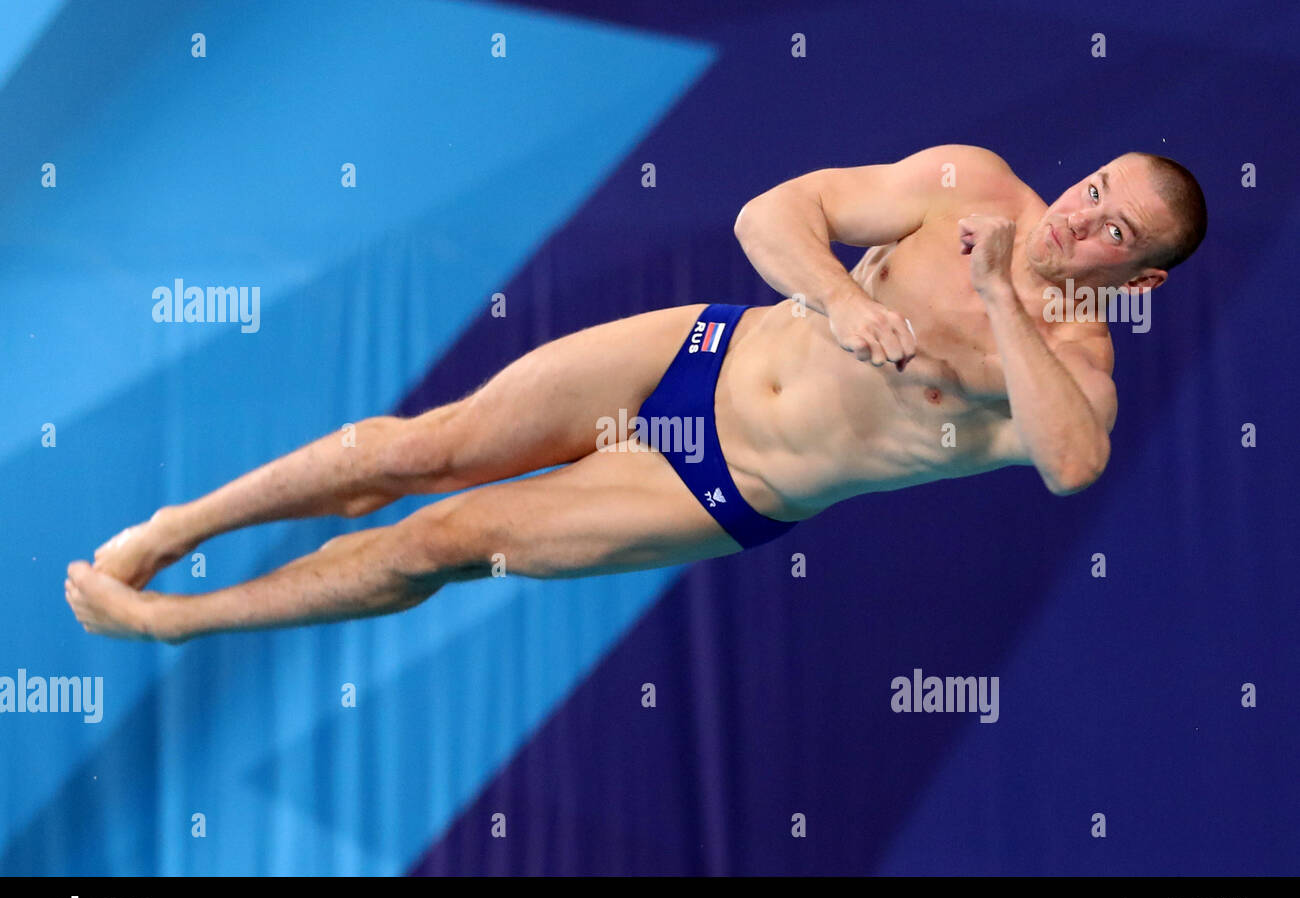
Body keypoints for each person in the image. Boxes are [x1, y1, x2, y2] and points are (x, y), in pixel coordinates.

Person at [65, 145, 1207, 643]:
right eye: (1093, 184)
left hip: (724, 482)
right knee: (422, 449)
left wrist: (1005, 296)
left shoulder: (1075, 371)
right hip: (698, 349)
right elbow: (771, 214)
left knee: (441, 541)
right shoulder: (965, 181)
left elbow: (1072, 466)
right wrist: (840, 302)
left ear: (1138, 277)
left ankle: (172, 621)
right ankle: (178, 528)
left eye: (1114, 228)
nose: (1079, 214)